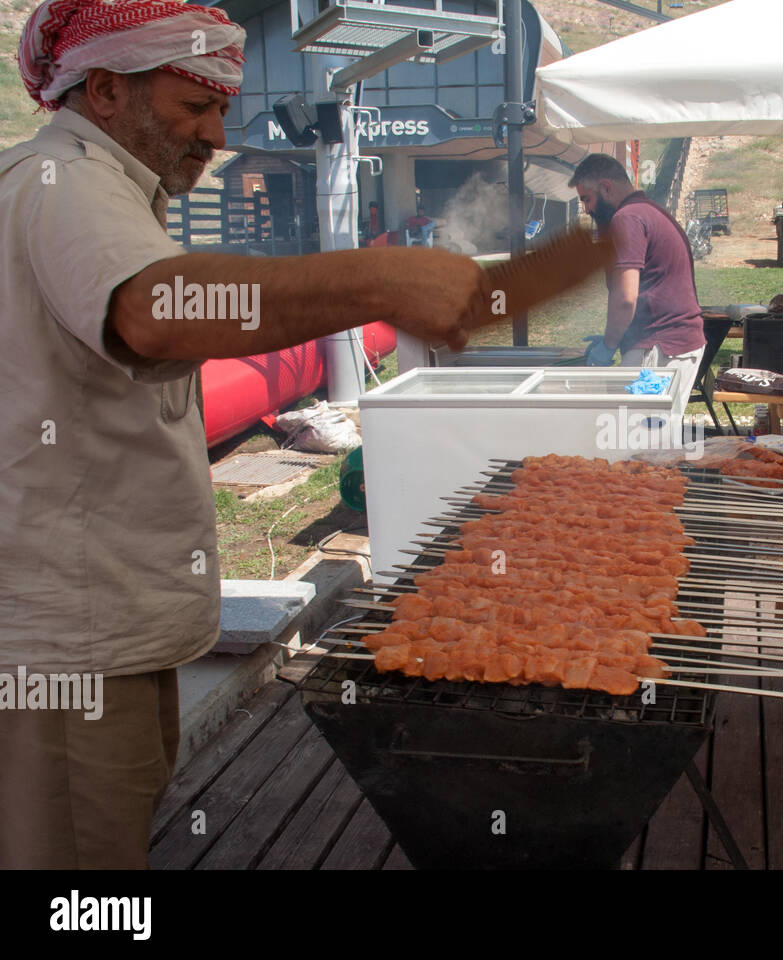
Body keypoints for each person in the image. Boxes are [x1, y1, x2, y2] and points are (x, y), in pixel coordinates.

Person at [0, 0, 494, 869]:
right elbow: (158, 308)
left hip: (105, 620)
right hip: (66, 635)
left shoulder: (101, 189)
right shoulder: (65, 182)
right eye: (194, 109)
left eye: (222, 108)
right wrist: (381, 278)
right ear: (106, 90)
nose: (218, 134)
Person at [568, 153, 705, 412]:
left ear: (606, 187)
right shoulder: (649, 211)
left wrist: (608, 346)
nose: (587, 209)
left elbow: (626, 299)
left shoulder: (627, 218)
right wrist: (618, 334)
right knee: (652, 438)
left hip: (660, 347)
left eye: (587, 199)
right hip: (669, 344)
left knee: (640, 440)